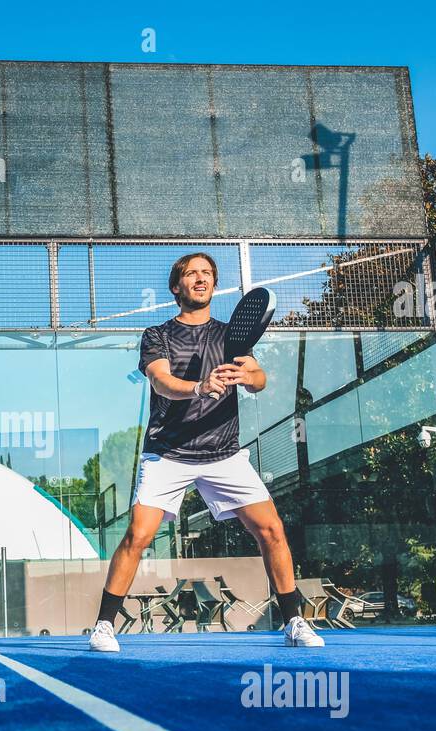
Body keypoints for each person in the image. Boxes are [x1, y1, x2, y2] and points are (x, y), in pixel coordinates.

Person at [87, 252, 324, 652]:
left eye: (208, 274)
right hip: (168, 453)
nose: (201, 279)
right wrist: (199, 386)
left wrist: (247, 376)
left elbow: (259, 377)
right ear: (176, 287)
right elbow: (161, 382)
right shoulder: (157, 335)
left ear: (214, 285)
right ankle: (104, 626)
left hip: (224, 453)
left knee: (271, 531)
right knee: (138, 536)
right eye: (192, 274)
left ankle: (294, 621)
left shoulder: (230, 333)